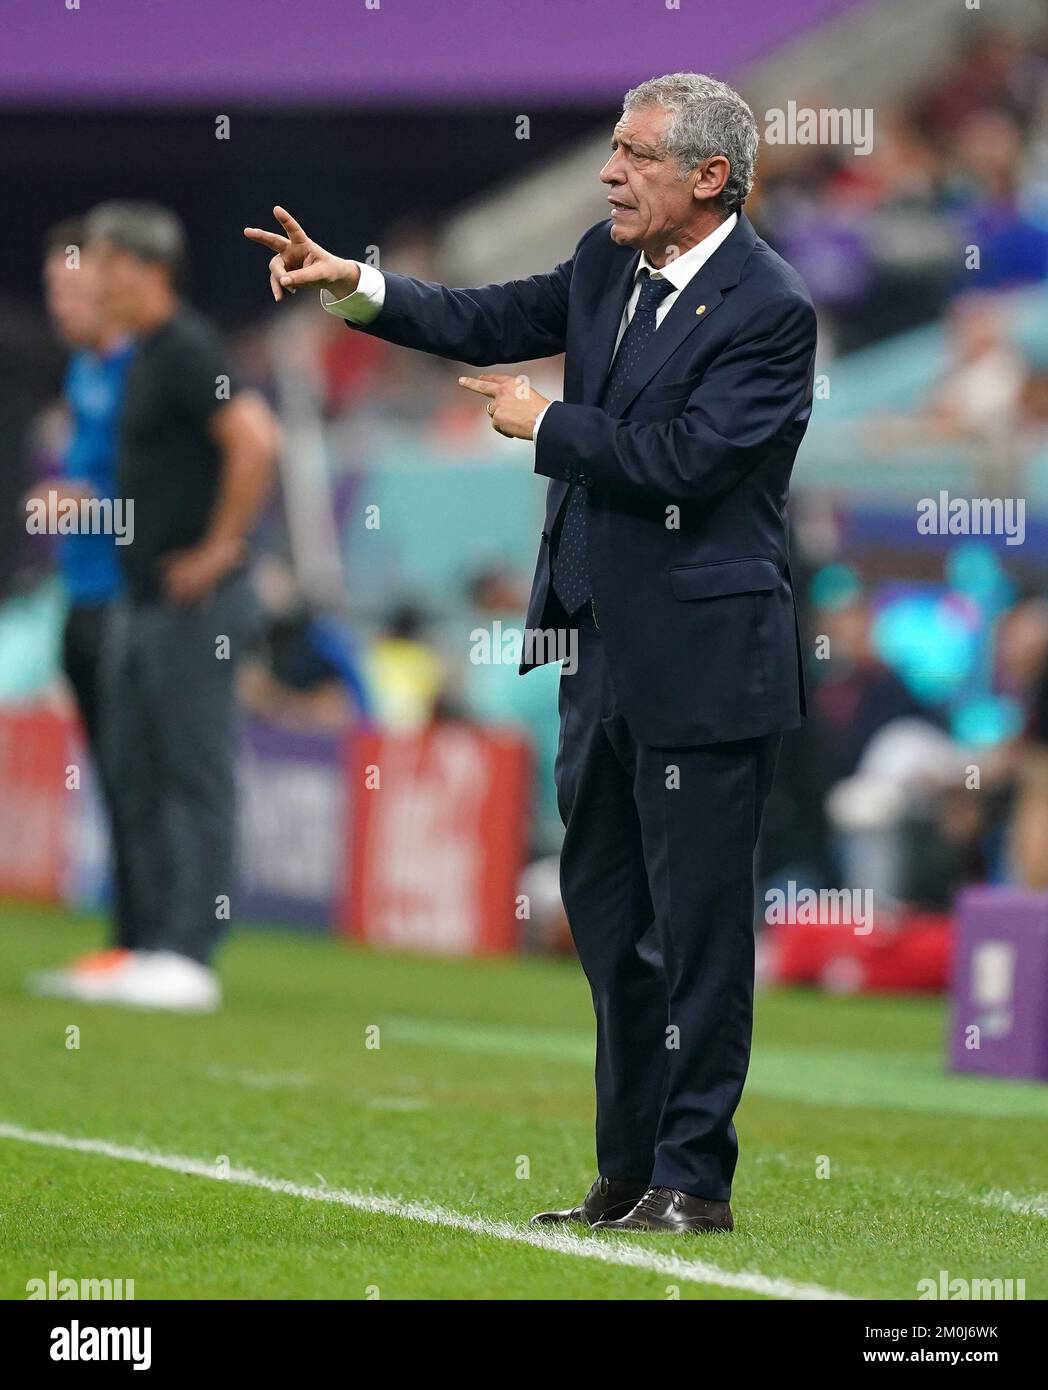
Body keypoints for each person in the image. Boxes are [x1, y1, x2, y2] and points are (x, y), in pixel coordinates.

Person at [246, 72, 816, 1233]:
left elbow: (695, 461)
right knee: (607, 925)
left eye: (635, 155)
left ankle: (693, 1180)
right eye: (612, 149)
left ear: (708, 178)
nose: (608, 172)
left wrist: (547, 425)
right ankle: (623, 1173)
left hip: (707, 661)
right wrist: (354, 285)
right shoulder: (608, 263)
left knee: (699, 935)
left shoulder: (771, 306)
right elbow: (489, 317)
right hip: (595, 652)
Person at [81, 201, 279, 1011]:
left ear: (138, 266)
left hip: (194, 605)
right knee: (137, 772)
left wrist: (222, 546)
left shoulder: (188, 347)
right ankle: (151, 942)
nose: (87, 277)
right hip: (143, 601)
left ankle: (190, 952)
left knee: (192, 773)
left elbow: (257, 437)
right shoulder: (147, 354)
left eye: (95, 260)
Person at [27, 218, 139, 1001]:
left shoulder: (145, 369)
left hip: (131, 602)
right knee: (110, 774)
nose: (61, 305)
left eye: (73, 289)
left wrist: (84, 506)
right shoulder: (84, 370)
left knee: (141, 777)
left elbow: (156, 500)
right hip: (82, 594)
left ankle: (151, 942)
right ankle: (125, 939)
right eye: (52, 291)